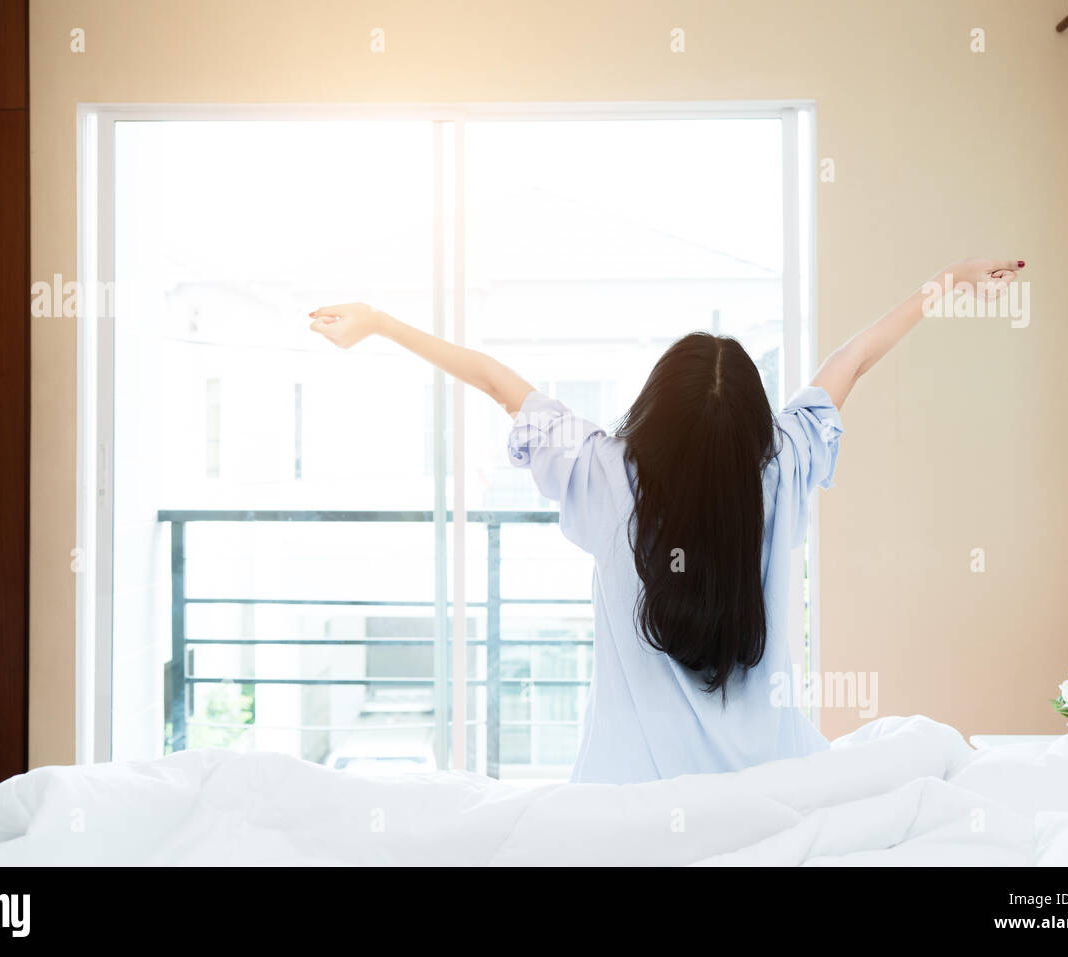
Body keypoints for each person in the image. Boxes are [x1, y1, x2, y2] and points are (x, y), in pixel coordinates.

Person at [309, 257, 1024, 783]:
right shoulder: (785, 465)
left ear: (654, 410)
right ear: (753, 424)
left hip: (628, 798)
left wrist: (379, 324)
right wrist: (946, 284)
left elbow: (499, 383)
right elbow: (854, 361)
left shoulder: (603, 471)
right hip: (773, 787)